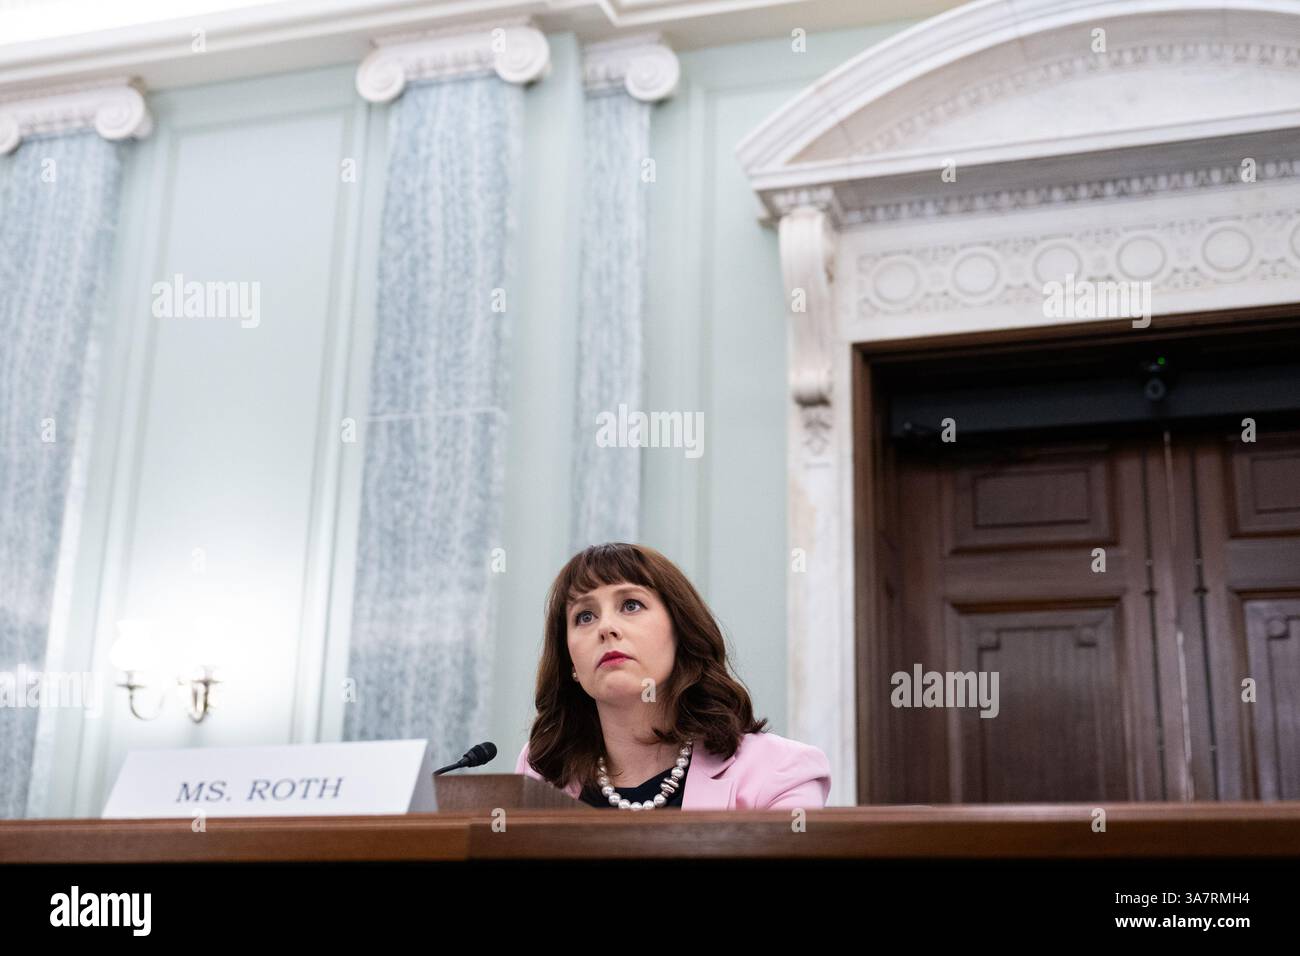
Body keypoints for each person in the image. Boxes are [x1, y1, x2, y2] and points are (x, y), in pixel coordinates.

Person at [515, 542, 831, 810]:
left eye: (630, 605)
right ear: (570, 659)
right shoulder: (542, 770)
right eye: (584, 616)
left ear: (681, 631)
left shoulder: (780, 773)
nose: (606, 627)